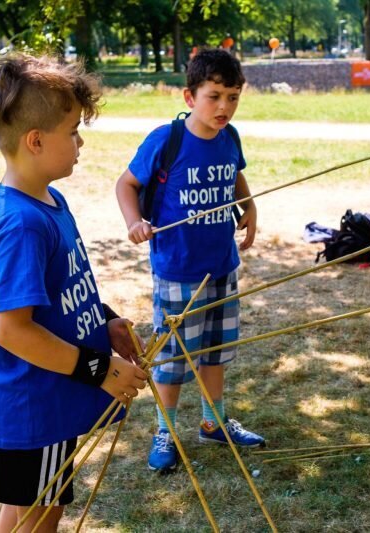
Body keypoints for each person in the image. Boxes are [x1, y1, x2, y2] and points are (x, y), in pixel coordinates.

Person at [0, 53, 147, 532]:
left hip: (38, 404)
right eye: (72, 130)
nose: (80, 141)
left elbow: (64, 288)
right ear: (35, 140)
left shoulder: (49, 200)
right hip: (34, 409)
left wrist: (104, 320)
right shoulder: (23, 225)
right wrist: (99, 369)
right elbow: (11, 329)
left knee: (25, 510)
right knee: (41, 515)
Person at [115, 48, 264, 474]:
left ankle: (213, 422)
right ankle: (165, 431)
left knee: (215, 350)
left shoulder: (230, 138)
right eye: (214, 96)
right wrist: (134, 222)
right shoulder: (167, 140)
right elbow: (126, 184)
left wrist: (249, 206)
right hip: (178, 271)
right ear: (189, 97)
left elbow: (235, 172)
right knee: (173, 358)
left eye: (233, 97)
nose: (224, 107)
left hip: (221, 265)